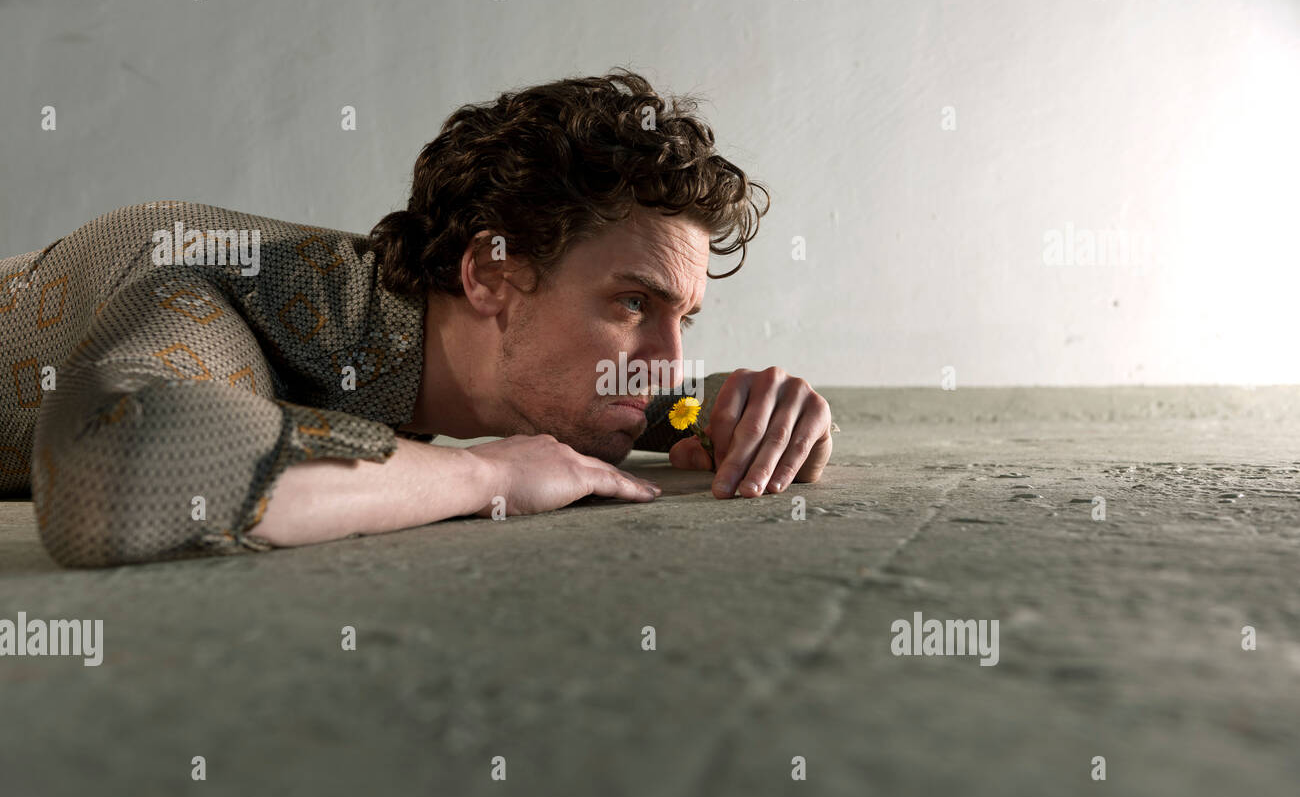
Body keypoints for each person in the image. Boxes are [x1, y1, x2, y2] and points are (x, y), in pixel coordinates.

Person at [0, 69, 833, 568]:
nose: (663, 360)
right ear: (490, 277)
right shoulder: (220, 289)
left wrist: (734, 405)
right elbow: (116, 469)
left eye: (683, 318)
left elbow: (653, 402)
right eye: (632, 303)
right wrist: (487, 478)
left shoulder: (495, 351)